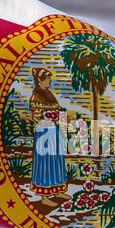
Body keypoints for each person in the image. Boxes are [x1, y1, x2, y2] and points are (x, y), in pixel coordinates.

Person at [29, 67, 67, 206]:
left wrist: (57, 118)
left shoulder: (49, 94)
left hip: (53, 129)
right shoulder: (36, 96)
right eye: (47, 78)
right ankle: (44, 196)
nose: (49, 80)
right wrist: (45, 119)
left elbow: (56, 110)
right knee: (45, 162)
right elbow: (35, 116)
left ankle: (57, 190)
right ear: (39, 80)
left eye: (49, 78)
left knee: (56, 160)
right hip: (44, 131)